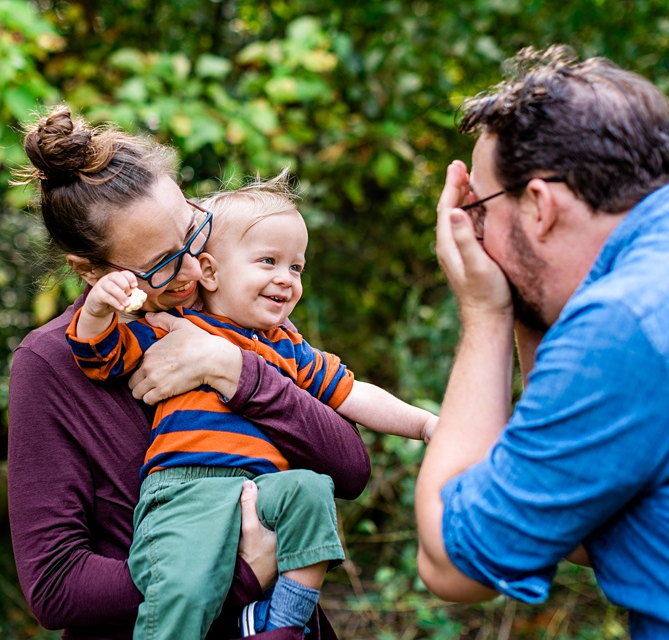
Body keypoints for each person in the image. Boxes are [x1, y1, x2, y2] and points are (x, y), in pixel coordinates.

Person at [415, 45, 669, 639]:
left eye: (481, 206)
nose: (475, 229)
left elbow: (453, 562)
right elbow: (559, 508)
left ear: (541, 205)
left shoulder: (628, 324)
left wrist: (486, 313)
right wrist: (527, 307)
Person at [7, 105, 372, 640]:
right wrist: (237, 572)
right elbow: (56, 587)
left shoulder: (234, 303)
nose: (187, 270)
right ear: (91, 269)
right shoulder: (50, 364)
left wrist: (236, 371)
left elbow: (349, 469)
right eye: (157, 264)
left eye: (191, 232)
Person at [66, 171, 436, 639]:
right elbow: (100, 357)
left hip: (261, 493)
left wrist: (426, 425)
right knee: (183, 591)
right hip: (189, 490)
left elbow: (354, 394)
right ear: (212, 271)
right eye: (268, 261)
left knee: (311, 490)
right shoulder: (172, 324)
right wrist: (98, 310)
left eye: (296, 267)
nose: (286, 278)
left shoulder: (291, 348)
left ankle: (279, 623)